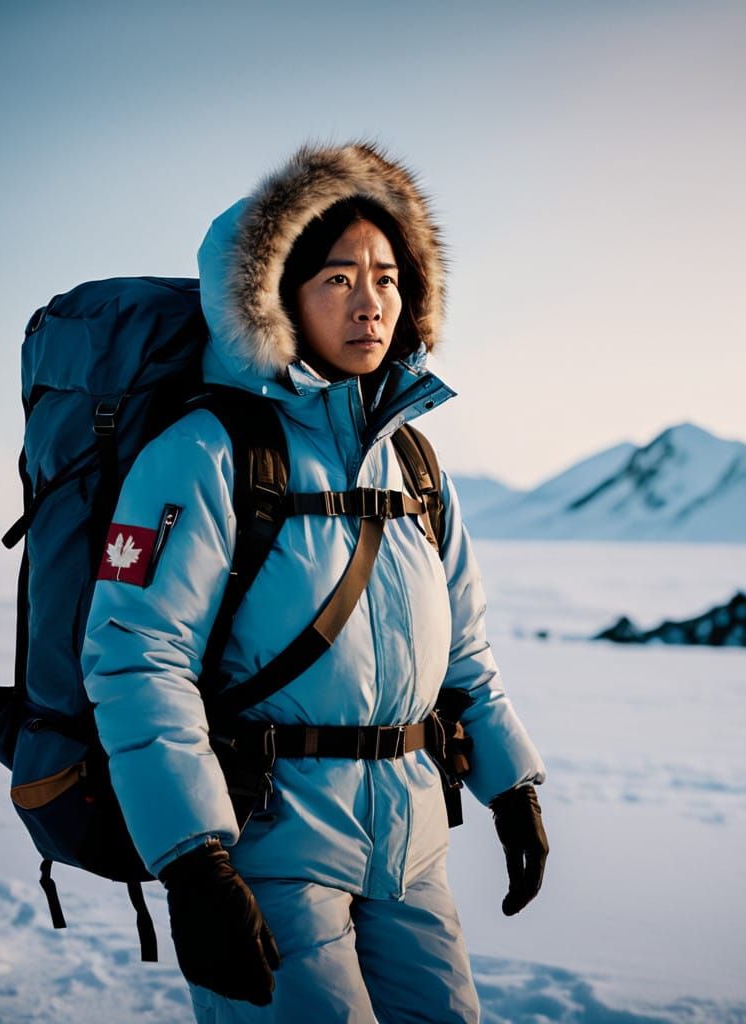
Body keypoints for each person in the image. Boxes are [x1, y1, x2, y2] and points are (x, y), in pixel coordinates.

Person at [81, 141, 549, 1023]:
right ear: (276, 296)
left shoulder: (415, 463)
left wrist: (512, 785)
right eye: (339, 278)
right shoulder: (204, 453)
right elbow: (137, 659)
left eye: (387, 278)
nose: (370, 303)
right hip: (268, 851)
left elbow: (466, 650)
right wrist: (194, 861)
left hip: (412, 847)